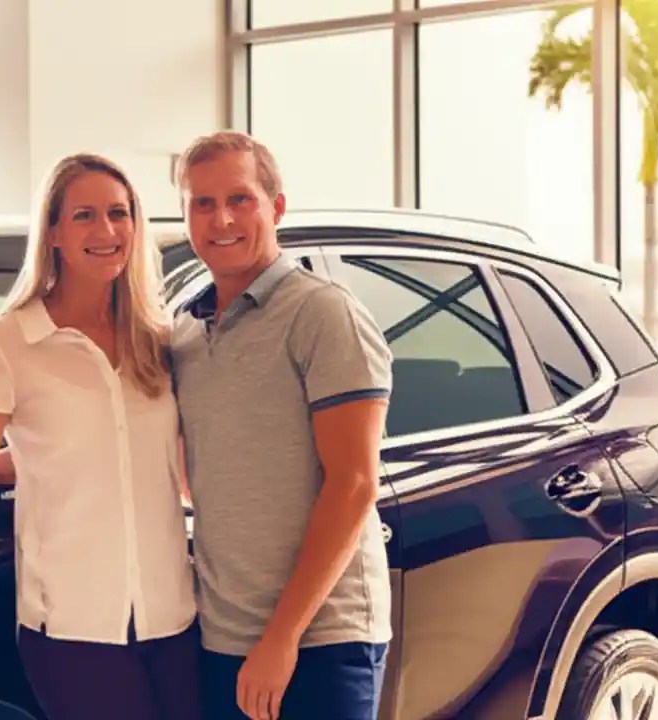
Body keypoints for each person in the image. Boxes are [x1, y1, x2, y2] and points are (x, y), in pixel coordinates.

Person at [0, 152, 201, 720]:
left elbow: (126, 456)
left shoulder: (161, 338)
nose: (107, 231)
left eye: (120, 214)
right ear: (51, 231)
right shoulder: (10, 342)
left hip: (174, 617)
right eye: (84, 216)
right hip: (73, 630)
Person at [171, 130, 393, 720]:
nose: (221, 219)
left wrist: (281, 639)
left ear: (277, 206)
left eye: (240, 199)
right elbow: (127, 441)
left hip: (321, 639)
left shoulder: (322, 313)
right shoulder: (188, 332)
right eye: (202, 203)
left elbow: (354, 483)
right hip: (223, 635)